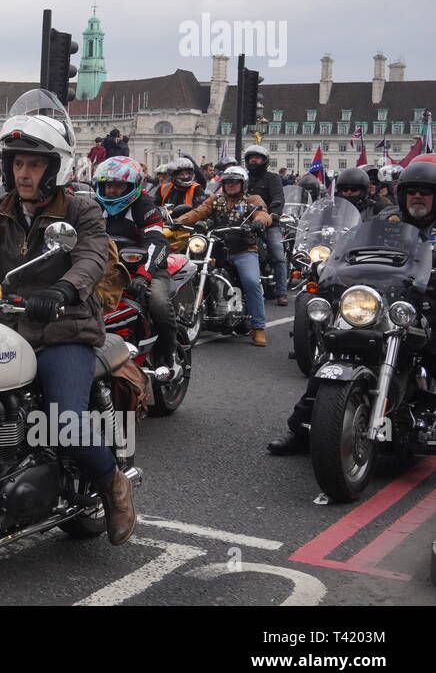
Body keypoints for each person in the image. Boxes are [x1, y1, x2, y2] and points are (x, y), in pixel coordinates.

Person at [0, 95, 135, 545]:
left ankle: (113, 484)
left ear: (54, 168)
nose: (24, 173)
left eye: (34, 164)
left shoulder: (81, 209)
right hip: (10, 324)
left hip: (65, 327)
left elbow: (92, 256)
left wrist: (63, 290)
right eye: (18, 163)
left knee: (63, 418)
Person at [268, 159, 436, 455]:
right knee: (334, 350)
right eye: (412, 192)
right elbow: (358, 250)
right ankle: (302, 429)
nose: (418, 198)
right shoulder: (389, 219)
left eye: (425, 192)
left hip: (428, 302)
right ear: (403, 194)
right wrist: (329, 264)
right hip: (385, 300)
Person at [93, 157, 177, 371]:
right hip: (104, 268)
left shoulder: (144, 205)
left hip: (144, 270)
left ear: (132, 186)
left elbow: (157, 243)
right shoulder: (93, 205)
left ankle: (168, 356)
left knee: (158, 303)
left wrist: (143, 276)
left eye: (119, 186)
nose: (111, 191)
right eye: (108, 185)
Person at [177, 165, 273, 346]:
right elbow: (197, 212)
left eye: (235, 182)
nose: (230, 185)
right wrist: (176, 222)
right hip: (217, 247)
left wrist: (259, 222)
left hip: (244, 250)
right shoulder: (215, 199)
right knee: (192, 268)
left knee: (252, 282)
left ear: (243, 184)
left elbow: (262, 213)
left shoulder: (252, 199)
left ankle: (258, 328)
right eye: (227, 182)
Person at [243, 144, 288, 306]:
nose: (253, 160)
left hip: (269, 223)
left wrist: (273, 214)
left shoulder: (272, 178)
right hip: (244, 222)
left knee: (277, 254)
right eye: (250, 158)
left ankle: (282, 292)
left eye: (257, 158)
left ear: (264, 160)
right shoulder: (243, 178)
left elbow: (278, 198)